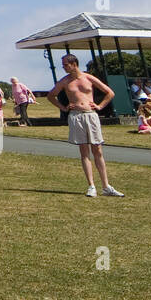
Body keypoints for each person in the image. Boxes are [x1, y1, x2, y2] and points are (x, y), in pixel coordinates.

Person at [46, 54, 123, 197]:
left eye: (65, 65)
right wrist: (63, 108)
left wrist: (100, 106)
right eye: (63, 65)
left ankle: (106, 186)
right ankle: (91, 186)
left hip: (90, 114)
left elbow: (109, 93)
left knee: (97, 149)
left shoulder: (88, 78)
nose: (63, 67)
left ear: (74, 64)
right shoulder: (65, 81)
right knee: (84, 150)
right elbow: (51, 96)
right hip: (76, 115)